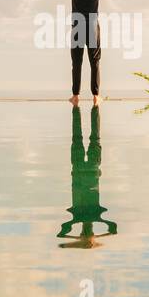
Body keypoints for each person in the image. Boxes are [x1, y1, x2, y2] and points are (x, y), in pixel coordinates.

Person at [55, 0, 115, 106]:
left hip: (77, 26)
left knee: (77, 62)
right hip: (93, 26)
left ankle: (75, 96)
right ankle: (96, 97)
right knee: (94, 62)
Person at [58, 105, 117, 248]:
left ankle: (88, 106)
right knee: (78, 138)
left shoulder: (95, 216)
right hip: (81, 169)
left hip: (89, 169)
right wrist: (87, 241)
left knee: (94, 138)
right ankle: (81, 106)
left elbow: (113, 229)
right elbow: (62, 235)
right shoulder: (78, 217)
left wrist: (94, 241)